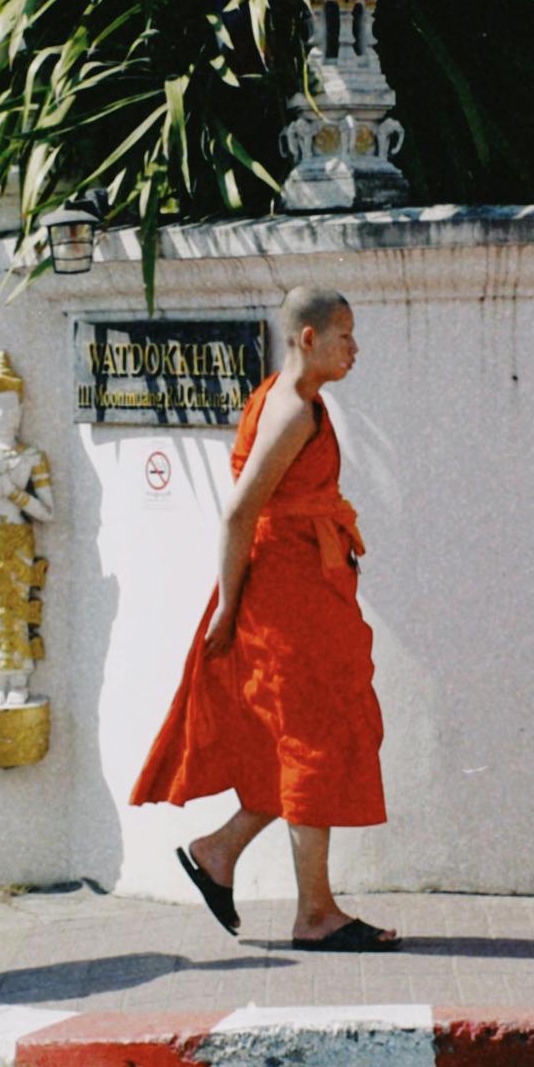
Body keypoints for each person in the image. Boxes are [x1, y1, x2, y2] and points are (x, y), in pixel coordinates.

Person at [135, 287, 395, 950]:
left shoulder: (282, 396)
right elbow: (239, 512)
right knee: (312, 738)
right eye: (344, 335)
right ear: (307, 337)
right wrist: (229, 603)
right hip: (287, 597)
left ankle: (220, 853)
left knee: (313, 735)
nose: (354, 349)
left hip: (302, 587)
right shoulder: (292, 413)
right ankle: (315, 913)